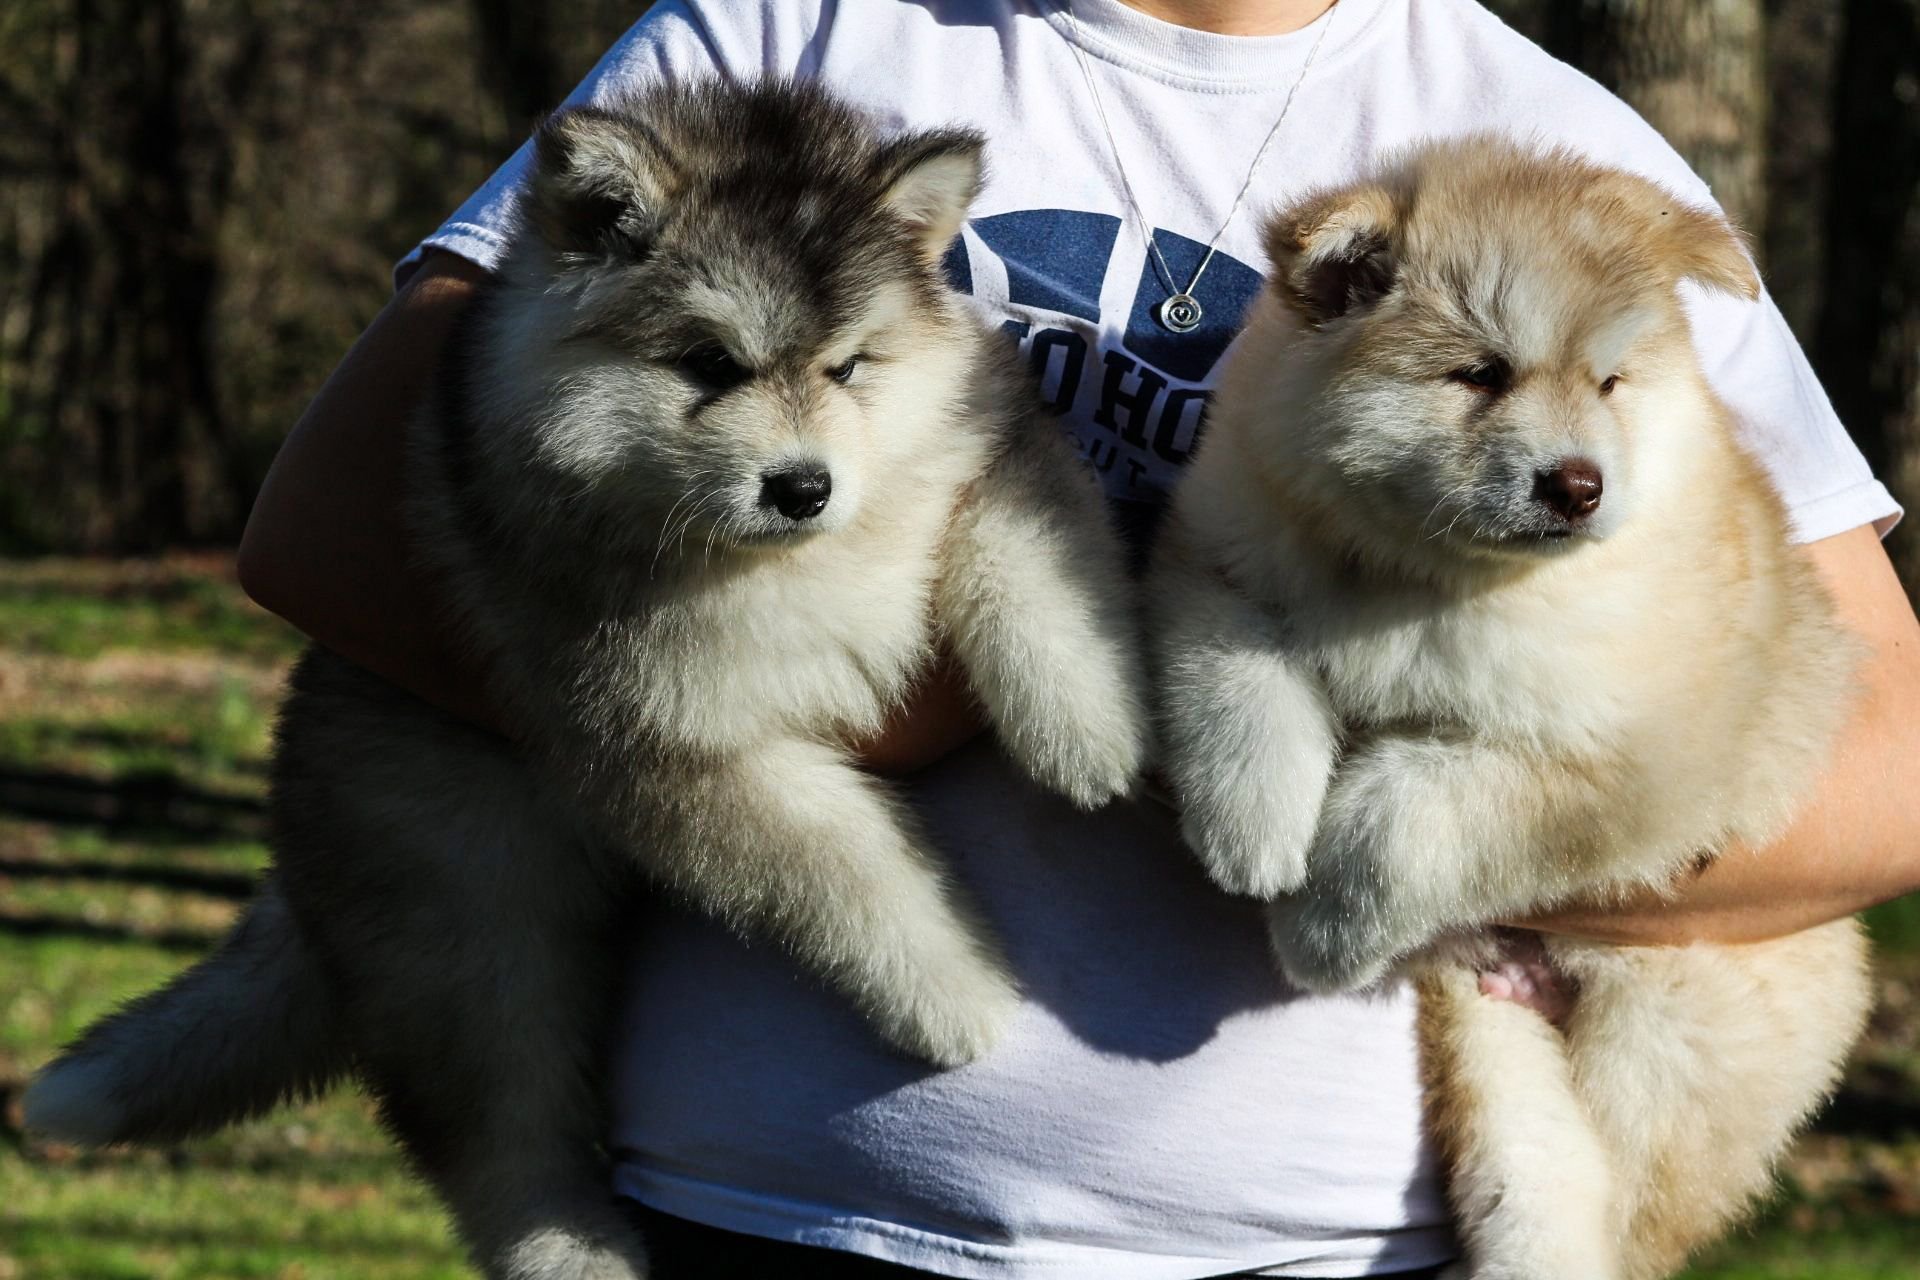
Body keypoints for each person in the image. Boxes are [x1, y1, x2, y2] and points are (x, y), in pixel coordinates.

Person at [237, 1, 1920, 1276]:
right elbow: (329, 530)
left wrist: (1481, 815)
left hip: (1339, 1239)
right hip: (783, 1207)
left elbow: (1885, 770)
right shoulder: (795, 31)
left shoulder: (1546, 140)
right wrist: (841, 700)